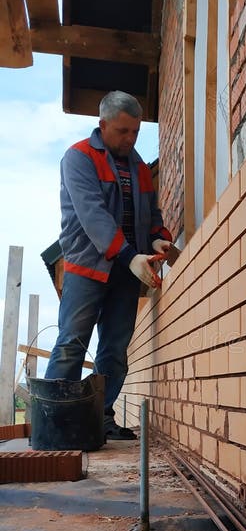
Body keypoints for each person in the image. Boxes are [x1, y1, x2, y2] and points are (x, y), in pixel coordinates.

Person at [45, 90, 172, 440]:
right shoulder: (78, 158)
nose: (130, 138)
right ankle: (55, 424)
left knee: (115, 351)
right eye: (122, 131)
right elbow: (93, 216)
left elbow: (151, 213)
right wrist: (131, 256)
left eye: (136, 131)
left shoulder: (140, 168)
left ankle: (100, 419)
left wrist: (157, 237)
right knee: (71, 344)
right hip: (88, 267)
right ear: (102, 125)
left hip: (126, 270)